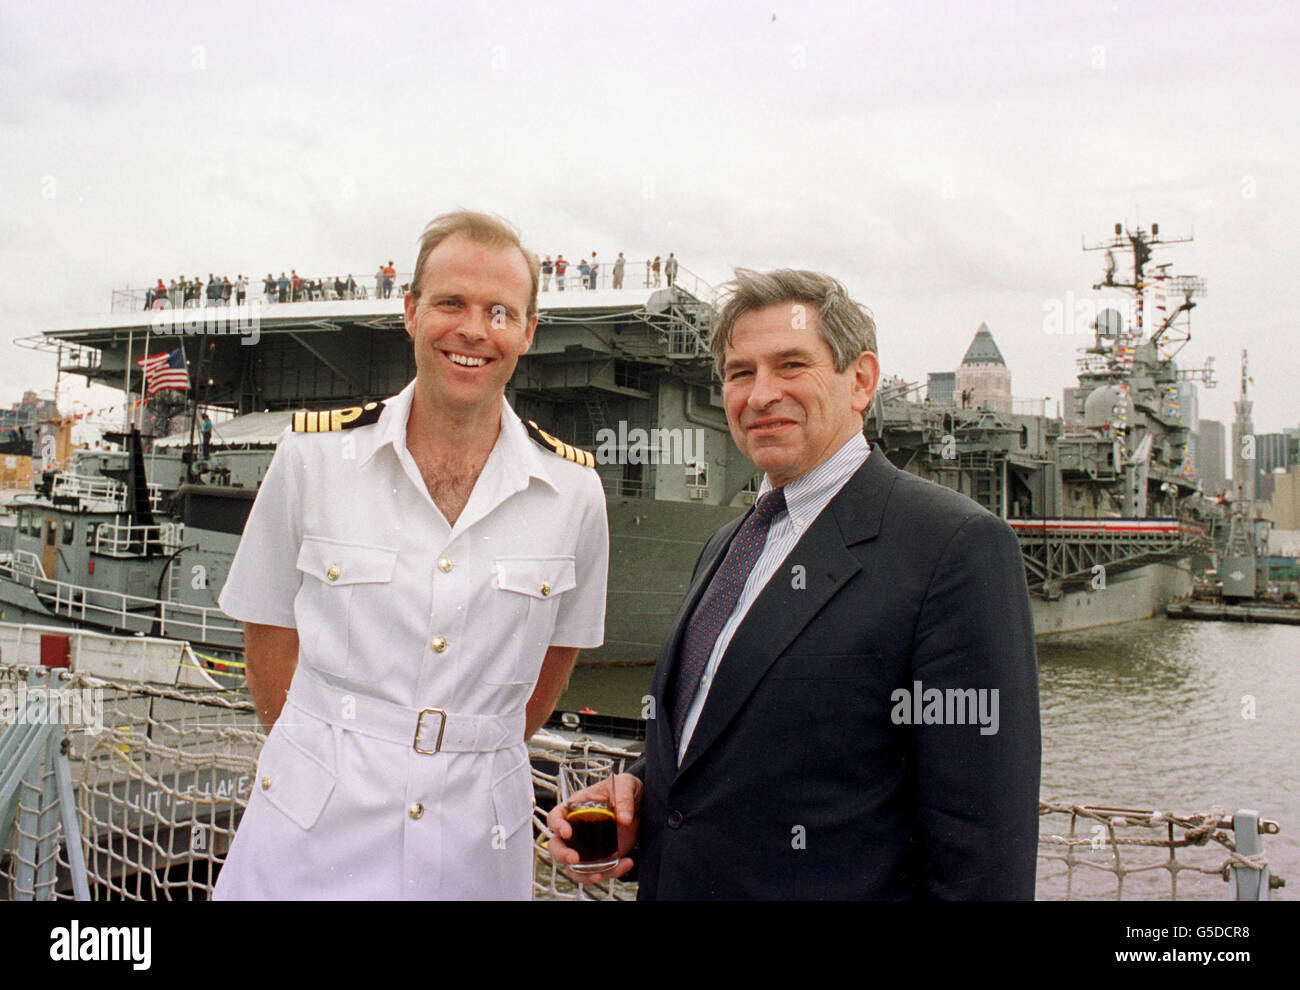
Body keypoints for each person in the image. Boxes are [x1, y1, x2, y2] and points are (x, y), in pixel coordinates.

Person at [548, 268, 1041, 899]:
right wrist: (641, 796)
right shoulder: (730, 544)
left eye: (791, 365)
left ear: (861, 380)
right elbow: (722, 742)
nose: (760, 395)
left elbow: (983, 844)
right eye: (739, 372)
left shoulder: (954, 547)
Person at [214, 210, 609, 900]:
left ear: (528, 332)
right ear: (410, 311)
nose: (473, 330)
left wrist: (467, 744)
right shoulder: (312, 459)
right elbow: (267, 630)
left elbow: (553, 667)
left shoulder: (573, 494)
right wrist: (328, 750)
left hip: (475, 840)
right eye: (450, 302)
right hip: (312, 830)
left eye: (499, 311)